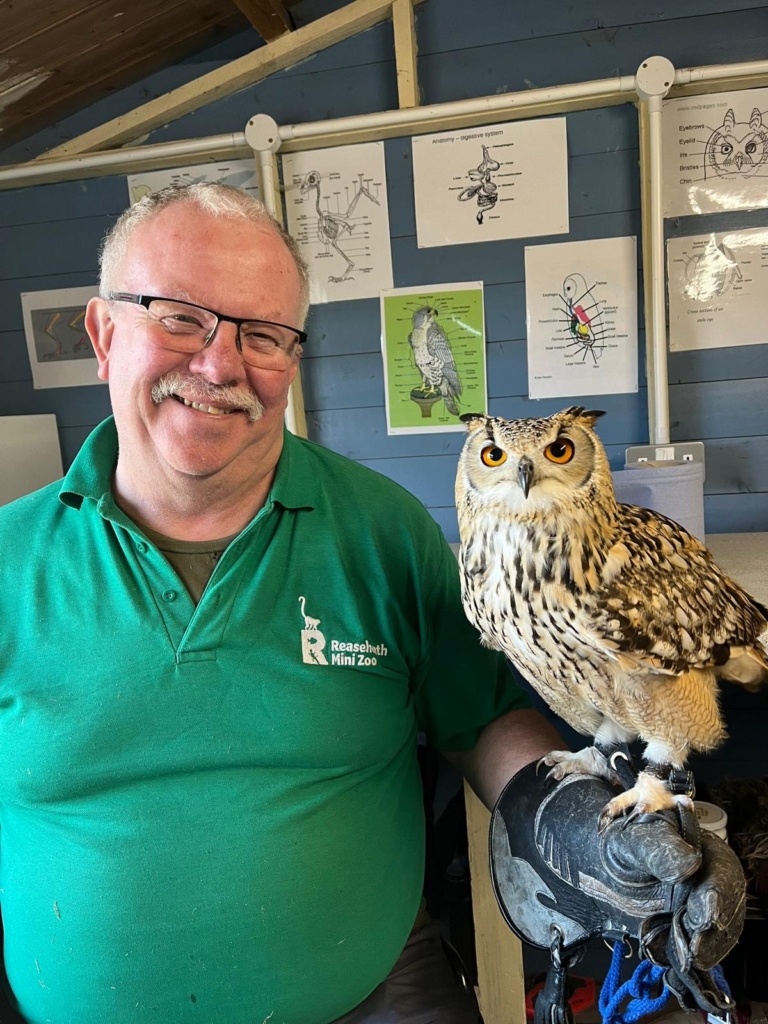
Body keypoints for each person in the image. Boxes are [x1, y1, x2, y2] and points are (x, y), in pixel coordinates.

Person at [0, 184, 739, 1024]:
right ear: (103, 333)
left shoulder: (385, 529)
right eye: (177, 317)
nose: (218, 364)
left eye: (263, 334)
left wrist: (567, 819)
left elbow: (481, 715)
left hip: (378, 996)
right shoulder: (6, 565)